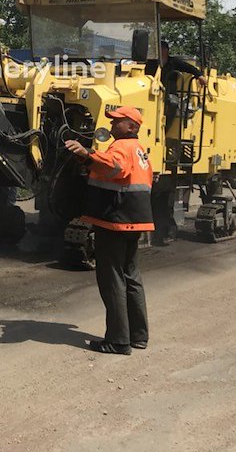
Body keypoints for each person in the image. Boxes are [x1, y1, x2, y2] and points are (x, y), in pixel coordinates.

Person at [64, 106, 154, 355]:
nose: (112, 125)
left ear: (132, 127)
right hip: (135, 220)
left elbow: (115, 168)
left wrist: (88, 154)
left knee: (112, 278)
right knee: (131, 276)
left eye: (118, 122)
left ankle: (118, 340)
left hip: (116, 220)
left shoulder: (121, 148)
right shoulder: (139, 150)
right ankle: (138, 335)